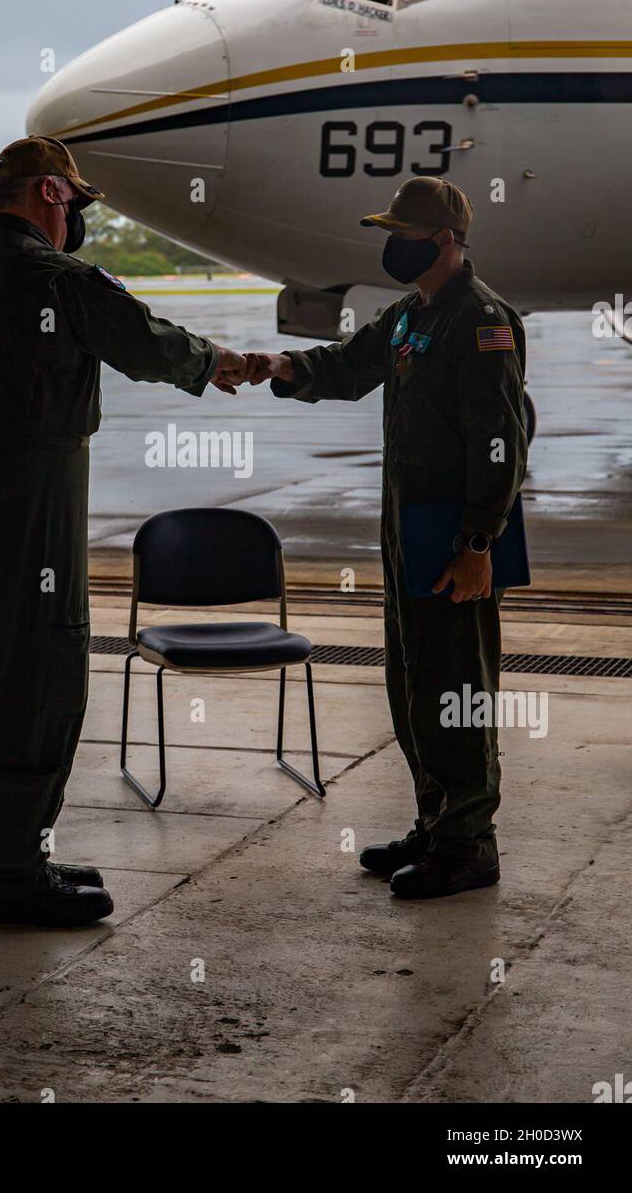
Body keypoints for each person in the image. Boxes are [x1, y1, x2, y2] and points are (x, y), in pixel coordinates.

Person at [0, 135, 246, 926]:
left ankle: (6, 854)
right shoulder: (56, 276)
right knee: (40, 677)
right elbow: (143, 341)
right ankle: (15, 876)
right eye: (76, 203)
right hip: (28, 499)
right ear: (51, 195)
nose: (78, 219)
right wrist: (215, 361)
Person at [244, 177, 527, 900]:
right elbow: (346, 365)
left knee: (457, 688)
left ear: (443, 242)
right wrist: (280, 366)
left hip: (454, 531)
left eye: (401, 235)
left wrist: (478, 543)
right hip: (407, 524)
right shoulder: (410, 316)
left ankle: (470, 844)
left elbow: (501, 441)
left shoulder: (482, 319)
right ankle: (435, 824)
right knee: (412, 682)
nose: (389, 246)